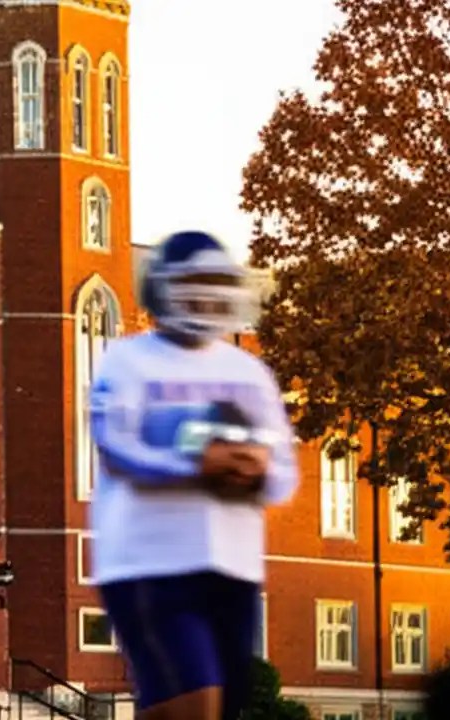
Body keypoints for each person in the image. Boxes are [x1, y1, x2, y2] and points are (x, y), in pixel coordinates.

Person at [87, 230, 300, 720]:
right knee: (196, 696)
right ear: (165, 287)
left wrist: (255, 468)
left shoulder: (250, 373)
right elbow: (116, 447)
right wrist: (196, 464)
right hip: (148, 563)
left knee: (203, 705)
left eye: (216, 280)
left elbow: (285, 474)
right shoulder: (128, 360)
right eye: (195, 281)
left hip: (232, 566)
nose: (207, 294)